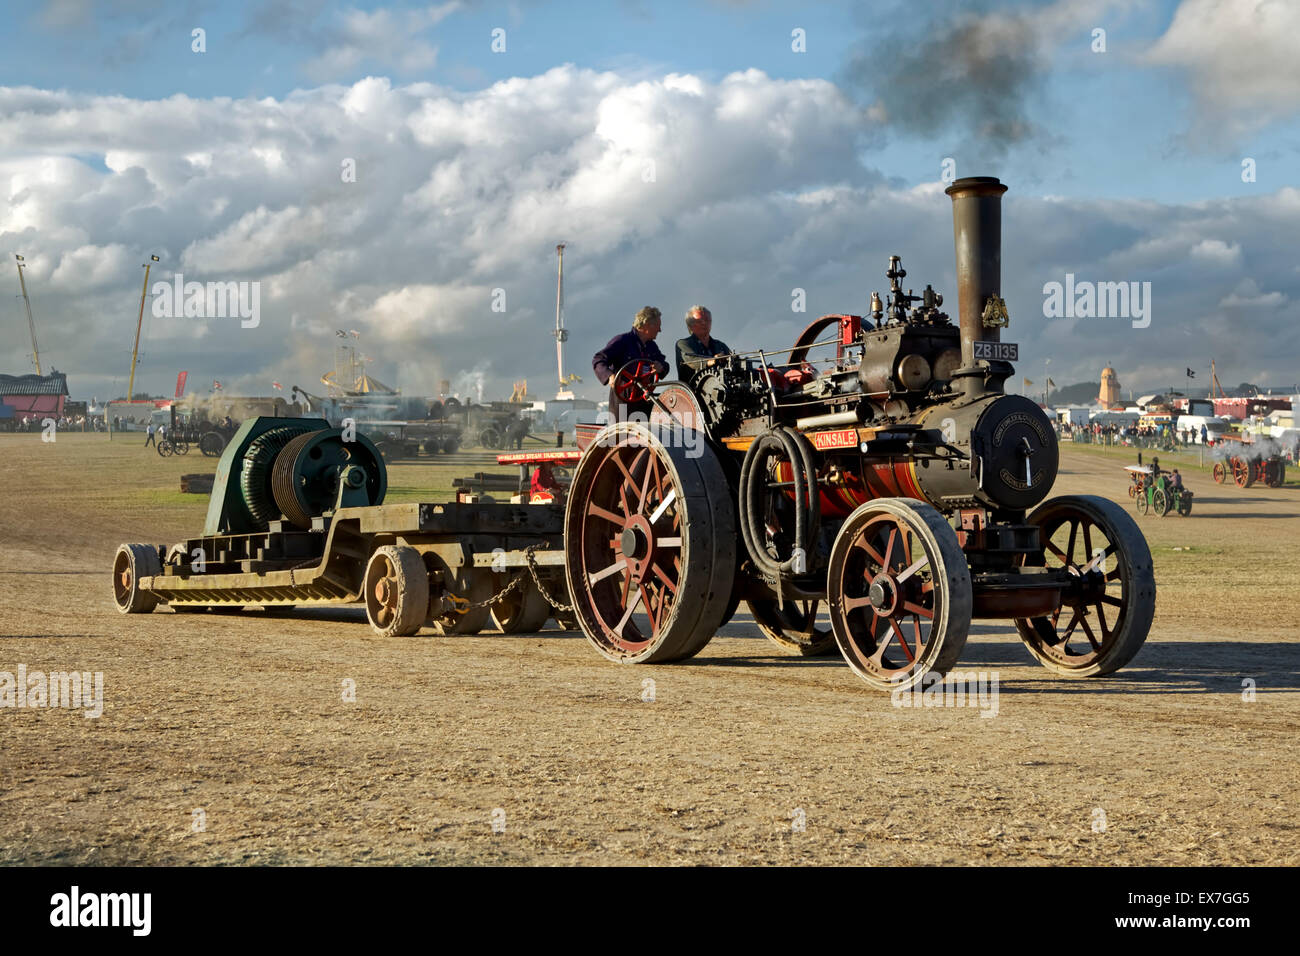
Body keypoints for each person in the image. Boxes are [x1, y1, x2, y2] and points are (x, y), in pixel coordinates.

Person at [592, 306, 670, 421]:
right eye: (658, 326)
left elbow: (664, 364)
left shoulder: (651, 346)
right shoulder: (622, 341)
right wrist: (609, 377)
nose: (660, 330)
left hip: (644, 399)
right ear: (647, 325)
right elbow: (598, 359)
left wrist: (661, 367)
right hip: (622, 400)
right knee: (622, 436)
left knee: (645, 435)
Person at [674, 305, 732, 383]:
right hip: (695, 390)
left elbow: (733, 360)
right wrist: (711, 361)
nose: (704, 323)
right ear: (690, 326)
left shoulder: (720, 345)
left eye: (707, 320)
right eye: (699, 321)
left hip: (722, 385)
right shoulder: (683, 344)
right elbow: (692, 361)